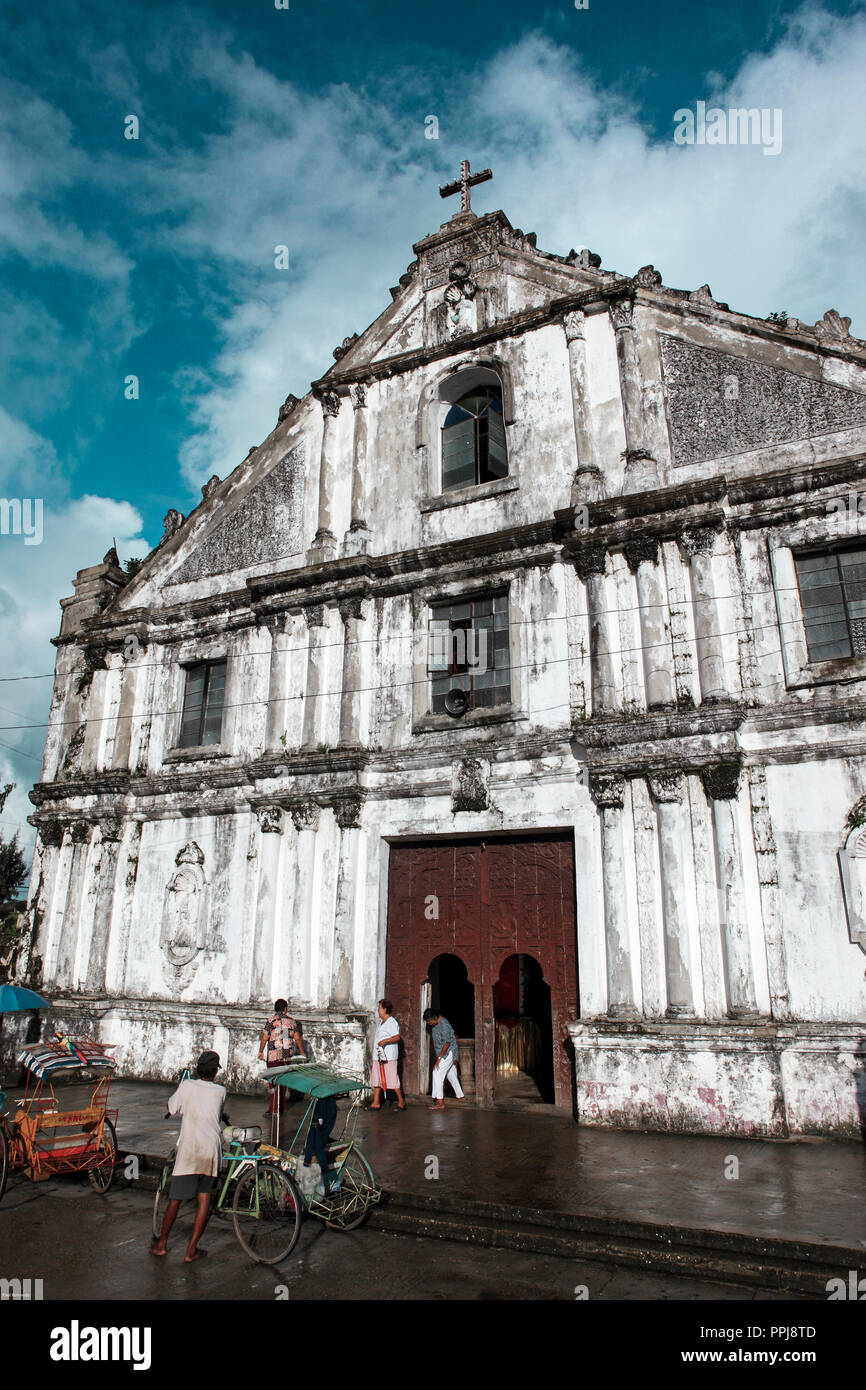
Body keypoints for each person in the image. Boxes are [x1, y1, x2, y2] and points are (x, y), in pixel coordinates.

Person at [150, 1050, 227, 1263]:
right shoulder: (221, 1091)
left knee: (176, 1198)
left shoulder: (187, 1086)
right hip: (210, 1150)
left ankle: (162, 1243)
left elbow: (171, 1107)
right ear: (215, 1072)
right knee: (204, 1198)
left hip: (190, 1150)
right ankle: (191, 1249)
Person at [258, 999, 303, 1117]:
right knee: (283, 1082)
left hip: (274, 1055)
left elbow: (264, 1037)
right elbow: (297, 1038)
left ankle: (273, 1109)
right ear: (285, 1008)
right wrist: (302, 1052)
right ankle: (281, 1107)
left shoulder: (271, 1020)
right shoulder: (292, 1021)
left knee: (273, 1082)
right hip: (287, 1056)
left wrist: (261, 1051)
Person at [423, 1008, 465, 1110]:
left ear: (434, 1018)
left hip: (448, 1052)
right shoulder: (436, 1024)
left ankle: (440, 1102)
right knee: (451, 1074)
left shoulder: (444, 1024)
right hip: (443, 1052)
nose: (429, 1024)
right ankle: (460, 1096)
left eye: (429, 1021)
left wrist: (439, 1058)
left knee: (437, 1072)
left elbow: (447, 1043)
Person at [370, 998, 406, 1111]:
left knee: (392, 1079)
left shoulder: (392, 1022)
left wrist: (385, 1041)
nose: (378, 1010)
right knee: (376, 1079)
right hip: (378, 1055)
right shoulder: (382, 1022)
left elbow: (397, 1037)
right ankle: (376, 1102)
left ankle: (401, 1101)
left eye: (380, 1008)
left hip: (389, 1056)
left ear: (385, 1009)